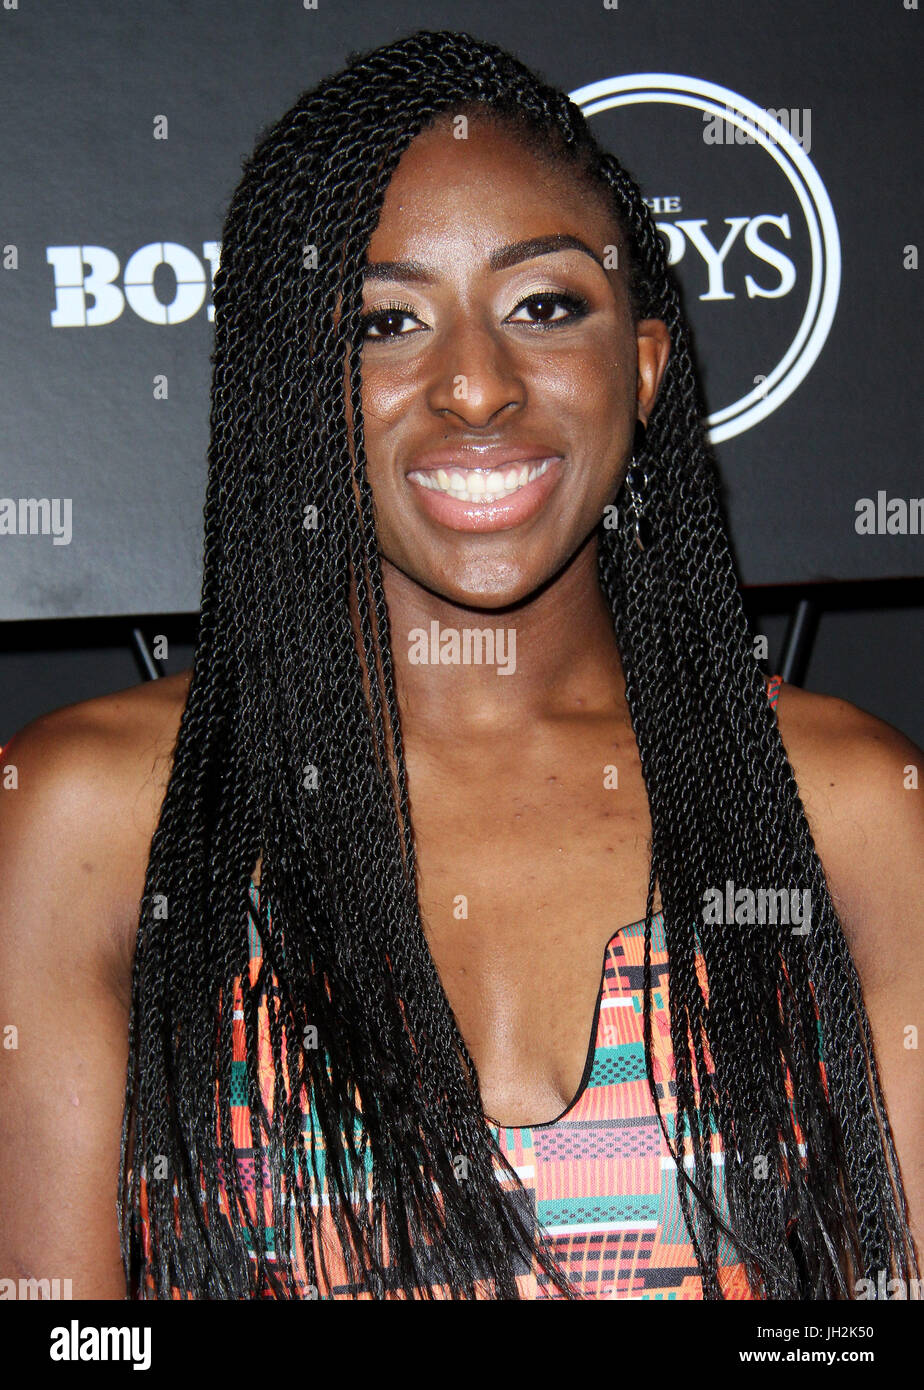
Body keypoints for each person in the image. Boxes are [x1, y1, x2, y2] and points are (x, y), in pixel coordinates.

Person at [0, 29, 920, 1302]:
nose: (476, 387)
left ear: (642, 367)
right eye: (386, 320)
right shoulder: (88, 816)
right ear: (293, 386)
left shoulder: (856, 808)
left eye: (544, 305)